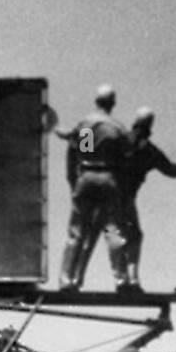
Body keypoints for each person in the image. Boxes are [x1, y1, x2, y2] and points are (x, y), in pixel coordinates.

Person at [54, 84, 131, 292]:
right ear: (113, 103)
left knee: (77, 231)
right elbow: (125, 158)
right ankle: (121, 280)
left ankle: (67, 280)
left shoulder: (87, 124)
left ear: (96, 101)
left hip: (87, 177)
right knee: (113, 230)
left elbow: (83, 152)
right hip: (109, 178)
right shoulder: (118, 127)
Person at [118, 107, 176, 289]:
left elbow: (94, 147)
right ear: (150, 127)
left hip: (104, 195)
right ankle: (130, 279)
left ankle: (73, 279)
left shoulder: (120, 139)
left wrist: (85, 141)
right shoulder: (149, 150)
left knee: (100, 236)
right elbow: (171, 170)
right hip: (125, 199)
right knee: (132, 236)